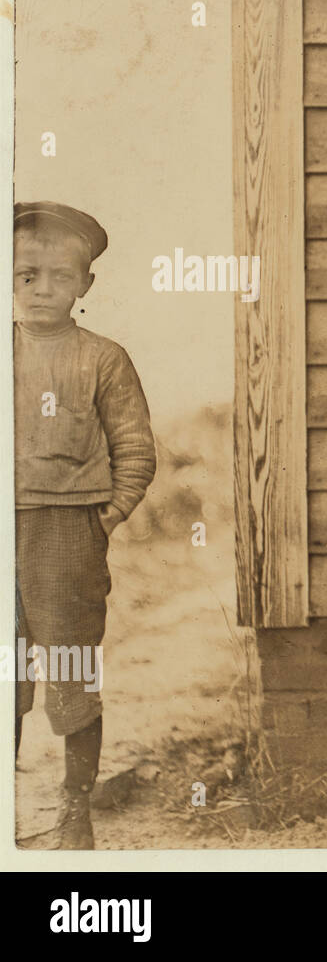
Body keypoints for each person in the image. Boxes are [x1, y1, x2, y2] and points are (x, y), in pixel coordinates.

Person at [13, 201, 157, 849]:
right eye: (26, 274)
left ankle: (76, 808)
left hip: (68, 534)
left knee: (71, 669)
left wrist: (109, 515)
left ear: (85, 286)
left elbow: (135, 447)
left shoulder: (103, 357)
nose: (43, 289)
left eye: (59, 277)